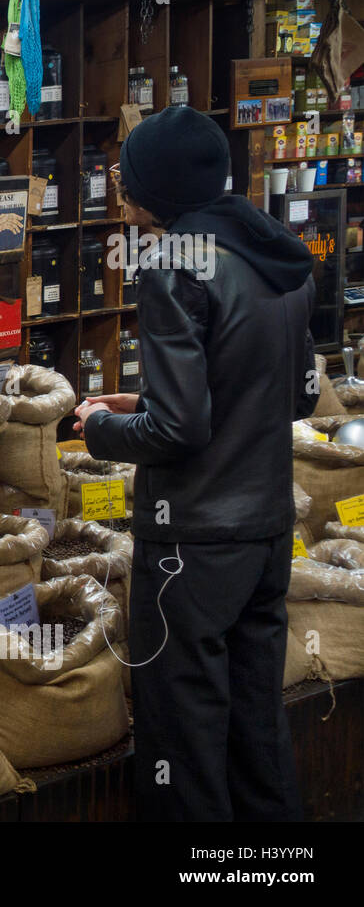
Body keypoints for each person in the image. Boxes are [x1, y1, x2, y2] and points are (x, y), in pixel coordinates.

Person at [72, 106, 318, 822]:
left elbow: (179, 431)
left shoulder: (175, 264)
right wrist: (147, 401)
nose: (120, 186)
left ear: (160, 185)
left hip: (194, 546)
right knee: (256, 727)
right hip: (267, 533)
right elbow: (291, 399)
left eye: (129, 173)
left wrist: (103, 428)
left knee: (184, 741)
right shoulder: (278, 256)